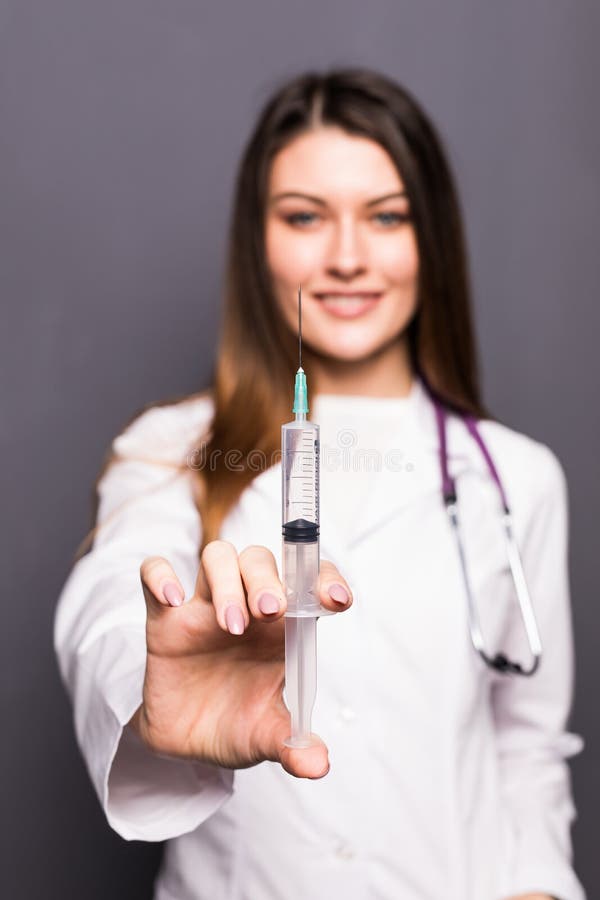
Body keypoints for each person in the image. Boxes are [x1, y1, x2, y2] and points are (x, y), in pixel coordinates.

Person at [54, 68, 586, 900]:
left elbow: (527, 743)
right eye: (305, 216)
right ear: (256, 239)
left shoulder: (516, 479)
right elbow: (107, 612)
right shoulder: (171, 451)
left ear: (431, 239)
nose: (346, 257)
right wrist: (148, 698)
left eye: (387, 216)